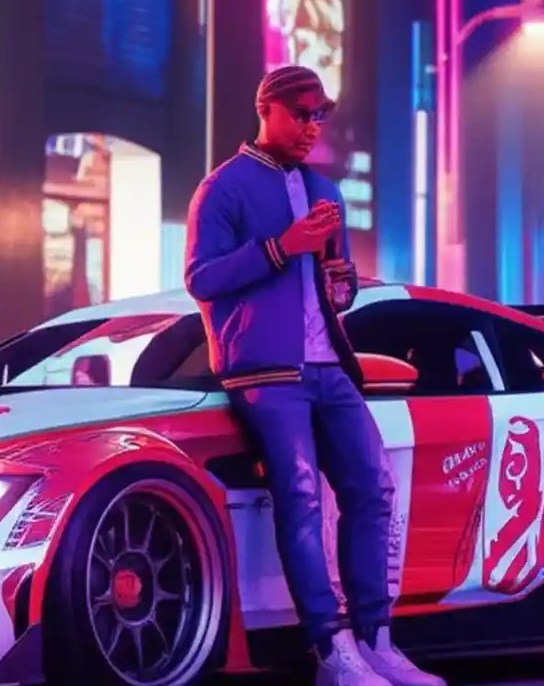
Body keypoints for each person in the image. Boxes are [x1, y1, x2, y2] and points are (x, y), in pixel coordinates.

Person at [184, 65, 445, 686]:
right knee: (300, 497)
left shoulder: (326, 190)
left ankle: (377, 641)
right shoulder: (223, 188)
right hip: (266, 371)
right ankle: (331, 650)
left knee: (373, 489)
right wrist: (281, 247)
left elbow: (338, 288)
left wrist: (342, 283)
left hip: (329, 365)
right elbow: (200, 279)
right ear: (266, 109)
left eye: (320, 116)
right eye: (301, 114)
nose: (311, 127)